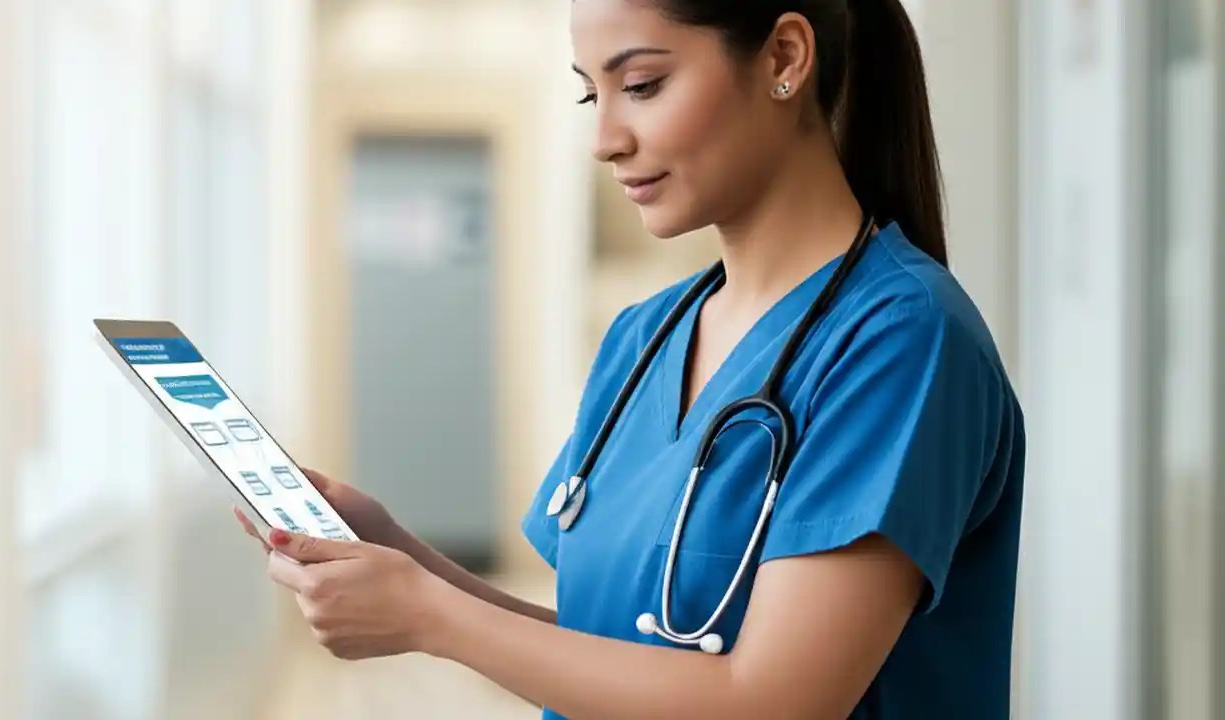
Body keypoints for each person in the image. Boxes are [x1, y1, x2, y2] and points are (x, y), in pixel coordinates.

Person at [234, 1, 1026, 717]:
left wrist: (429, 615)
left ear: (784, 57)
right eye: (592, 95)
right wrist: (402, 558)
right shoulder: (643, 339)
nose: (605, 140)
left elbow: (776, 702)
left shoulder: (901, 340)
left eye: (642, 85)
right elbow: (610, 655)